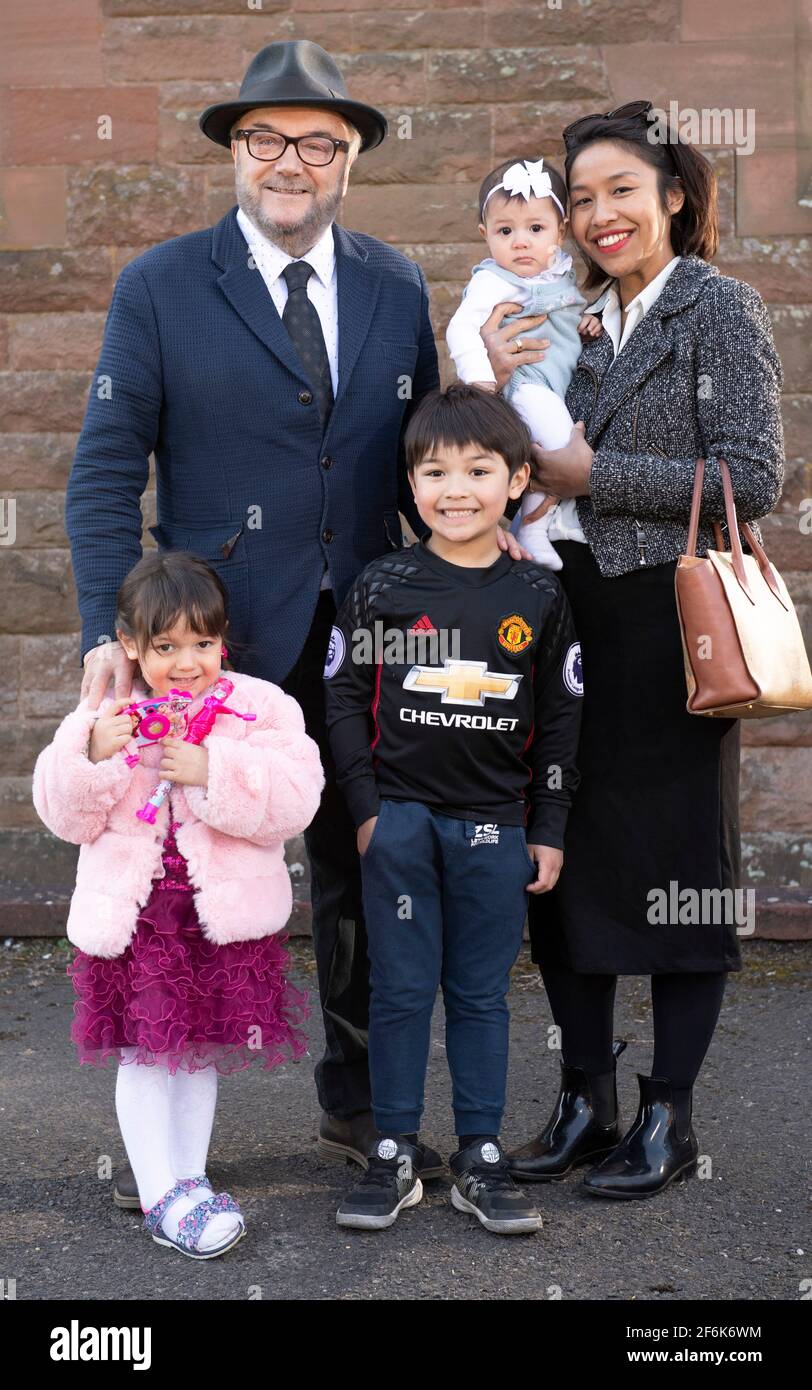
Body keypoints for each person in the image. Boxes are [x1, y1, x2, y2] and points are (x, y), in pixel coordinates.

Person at [64, 39, 447, 1194]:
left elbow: (424, 459)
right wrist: (107, 637)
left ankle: (365, 1113)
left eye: (317, 143)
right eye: (266, 139)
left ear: (349, 164)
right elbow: (102, 473)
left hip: (368, 639)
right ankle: (168, 1150)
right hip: (209, 647)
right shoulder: (161, 284)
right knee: (172, 884)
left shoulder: (394, 284)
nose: (291, 161)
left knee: (369, 874)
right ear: (236, 151)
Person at [480, 101, 784, 1198]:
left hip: (669, 628)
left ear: (671, 197)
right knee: (558, 854)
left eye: (621, 191)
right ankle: (581, 1099)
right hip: (561, 625)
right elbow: (497, 453)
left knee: (676, 868)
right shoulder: (563, 314)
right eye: (582, 199)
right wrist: (484, 376)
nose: (600, 215)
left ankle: (668, 1115)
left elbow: (752, 479)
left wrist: (591, 478)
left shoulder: (717, 308)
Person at [324, 384, 583, 1233]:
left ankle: (481, 1153)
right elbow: (343, 696)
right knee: (398, 992)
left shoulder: (537, 597)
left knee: (479, 995)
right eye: (434, 471)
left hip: (493, 831)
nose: (456, 488)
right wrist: (367, 811)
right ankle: (394, 1150)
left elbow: (561, 721)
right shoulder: (383, 586)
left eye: (479, 470)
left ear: (516, 482)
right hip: (400, 824)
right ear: (411, 482)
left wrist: (545, 828)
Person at [32, 551, 324, 1257]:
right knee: (146, 1053)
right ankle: (163, 1197)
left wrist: (213, 770)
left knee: (197, 1053)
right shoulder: (106, 713)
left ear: (223, 639)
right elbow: (62, 814)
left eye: (203, 643)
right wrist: (92, 753)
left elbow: (298, 798)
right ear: (130, 645)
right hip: (141, 922)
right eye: (165, 647)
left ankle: (189, 1181)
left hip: (214, 920)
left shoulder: (258, 707)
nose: (187, 662)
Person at [446, 156, 600, 570]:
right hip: (527, 384)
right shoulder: (494, 281)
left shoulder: (560, 275)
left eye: (536, 229)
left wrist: (588, 320)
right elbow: (460, 330)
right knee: (561, 445)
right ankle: (531, 528)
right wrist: (481, 384)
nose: (520, 242)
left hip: (554, 382)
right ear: (485, 235)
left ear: (561, 231)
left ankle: (526, 530)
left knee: (549, 449)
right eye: (505, 231)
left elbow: (567, 314)